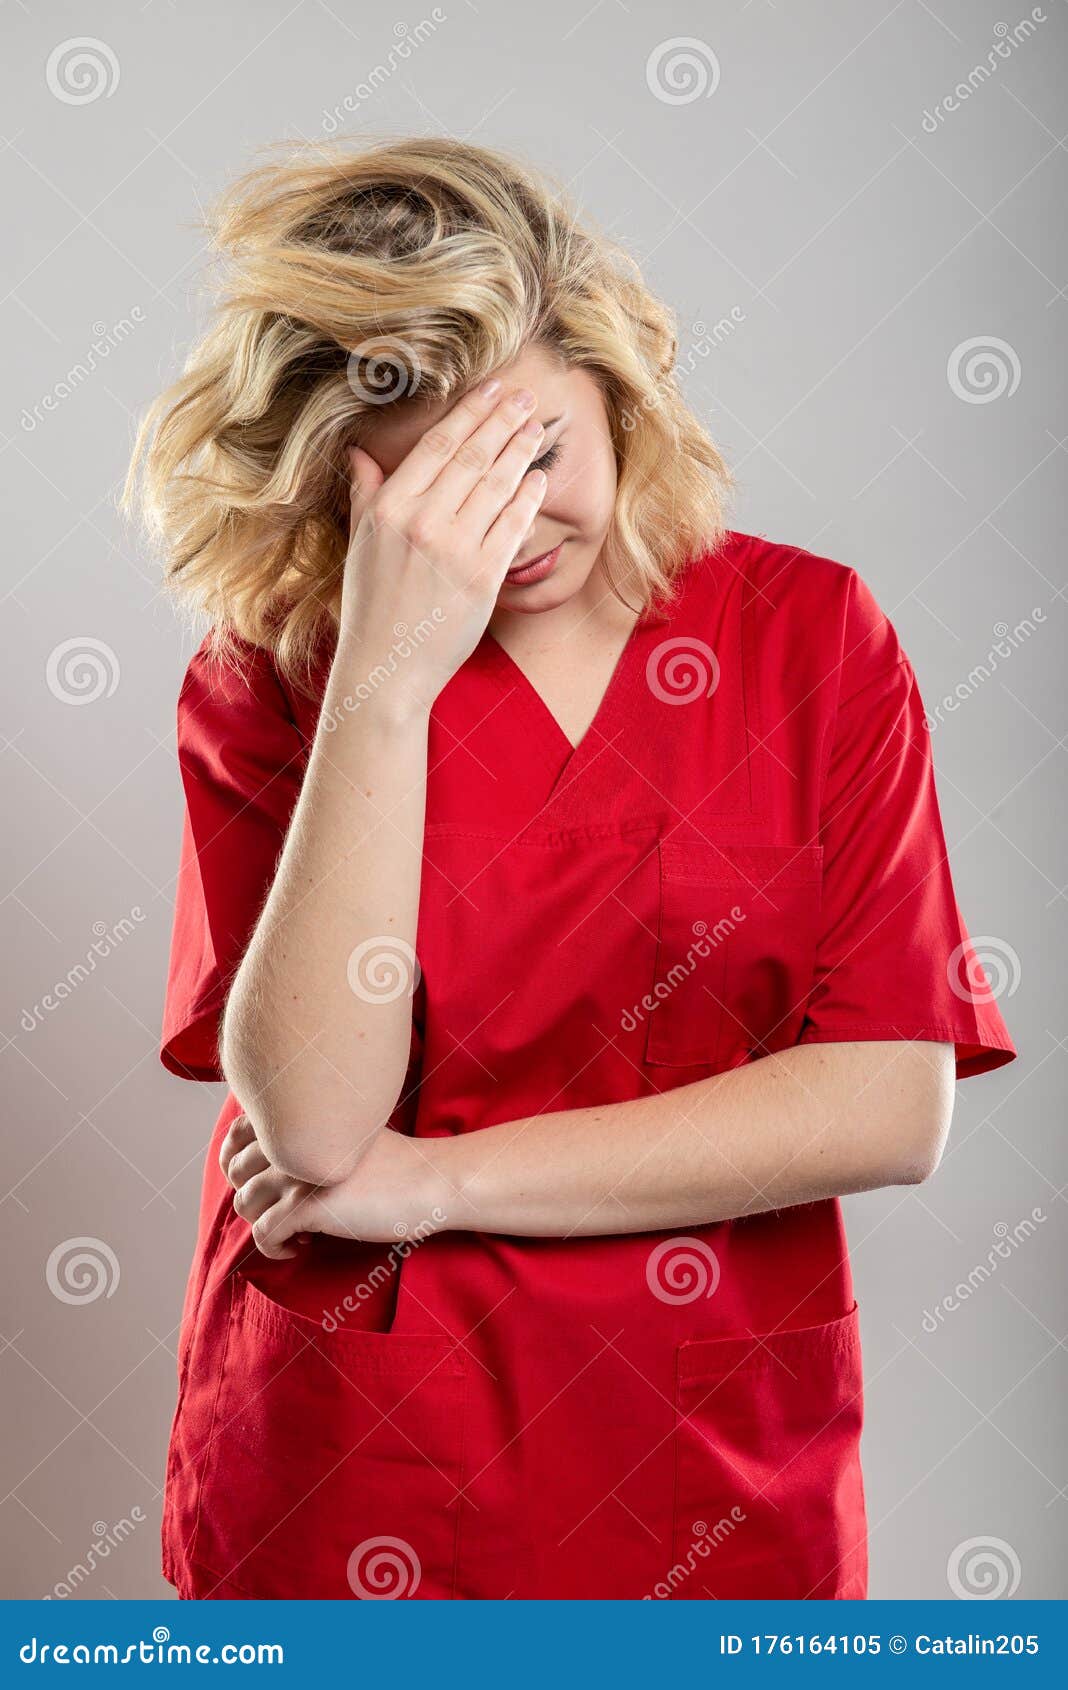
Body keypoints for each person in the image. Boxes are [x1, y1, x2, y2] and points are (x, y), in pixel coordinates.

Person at [129, 136, 1015, 1602]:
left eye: (533, 450)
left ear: (617, 378)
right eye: (433, 497)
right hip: (360, 1450)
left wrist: (440, 1182)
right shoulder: (277, 675)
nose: (509, 528)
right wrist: (388, 681)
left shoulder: (812, 638)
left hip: (714, 1452)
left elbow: (886, 1097)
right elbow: (320, 1119)